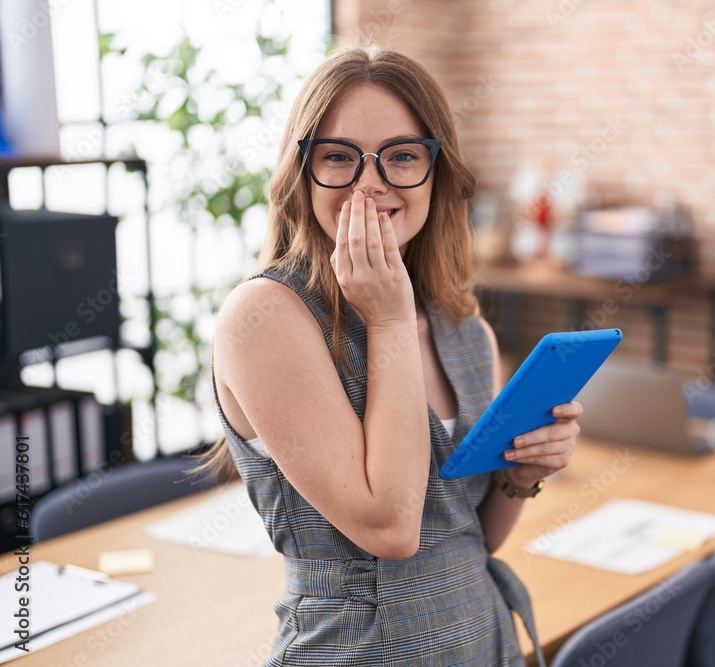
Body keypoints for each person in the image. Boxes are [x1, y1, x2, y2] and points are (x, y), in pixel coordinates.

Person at [201, 45, 584, 666]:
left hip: (480, 641)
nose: (370, 183)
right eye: (338, 157)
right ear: (303, 172)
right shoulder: (264, 318)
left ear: (437, 171)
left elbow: (465, 538)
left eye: (402, 156)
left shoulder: (465, 330)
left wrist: (523, 476)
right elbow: (391, 528)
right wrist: (387, 319)